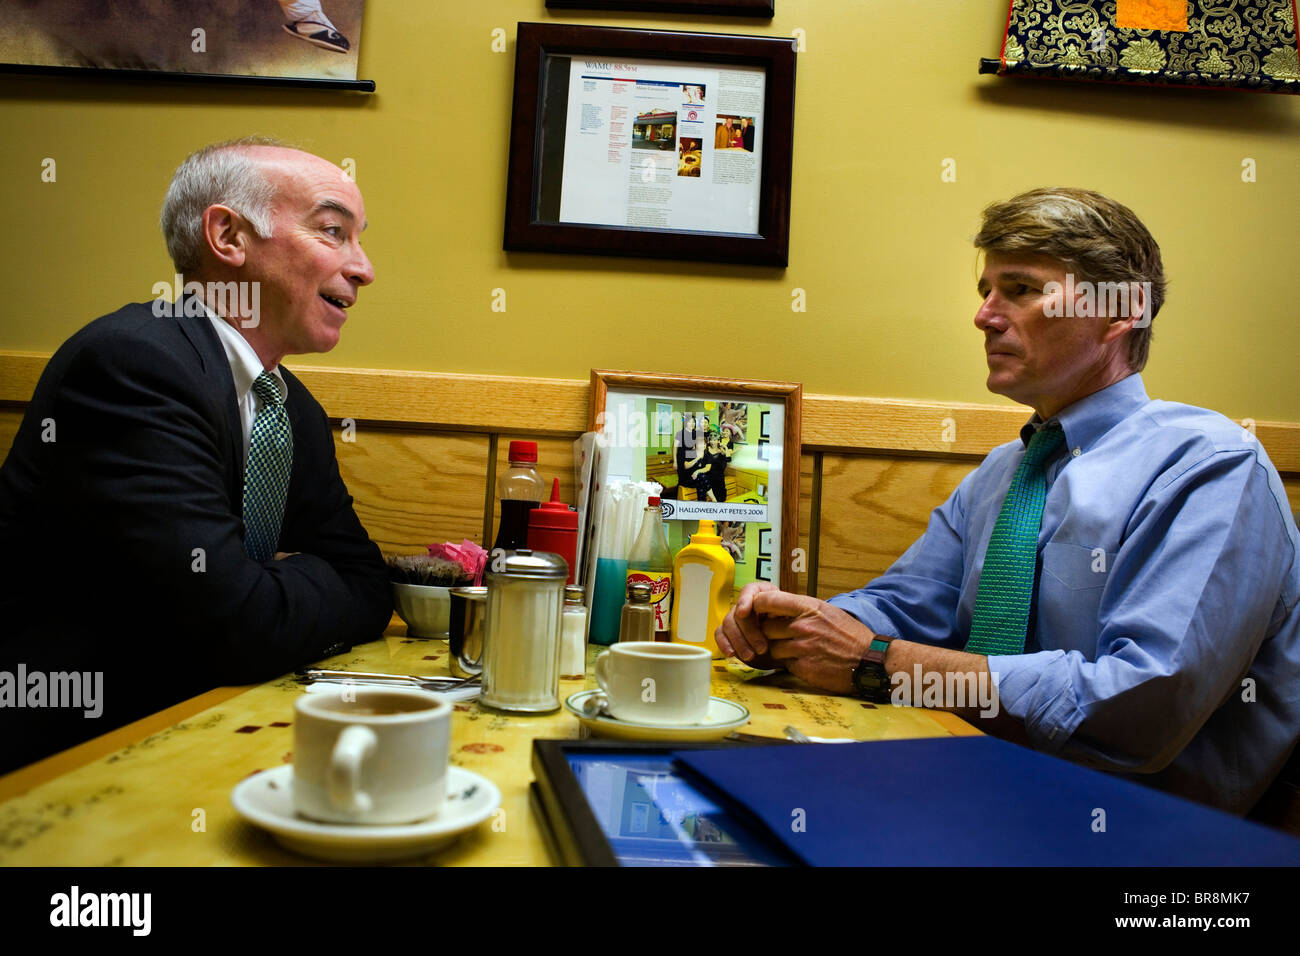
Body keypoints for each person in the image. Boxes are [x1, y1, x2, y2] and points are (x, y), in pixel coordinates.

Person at [717, 187, 1300, 815]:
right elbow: (911, 606)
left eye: (1020, 289)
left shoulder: (1210, 467)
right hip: (972, 797)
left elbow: (1138, 708)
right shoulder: (1005, 471)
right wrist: (798, 625)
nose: (985, 316)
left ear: (1120, 311)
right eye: (985, 291)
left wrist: (878, 663)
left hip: (1143, 844)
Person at [0, 138, 391, 773]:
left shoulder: (294, 408)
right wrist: (283, 582)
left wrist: (264, 583)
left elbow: (370, 587)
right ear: (229, 236)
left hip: (217, 729)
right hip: (76, 755)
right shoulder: (133, 365)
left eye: (359, 239)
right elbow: (237, 626)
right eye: (332, 232)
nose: (364, 268)